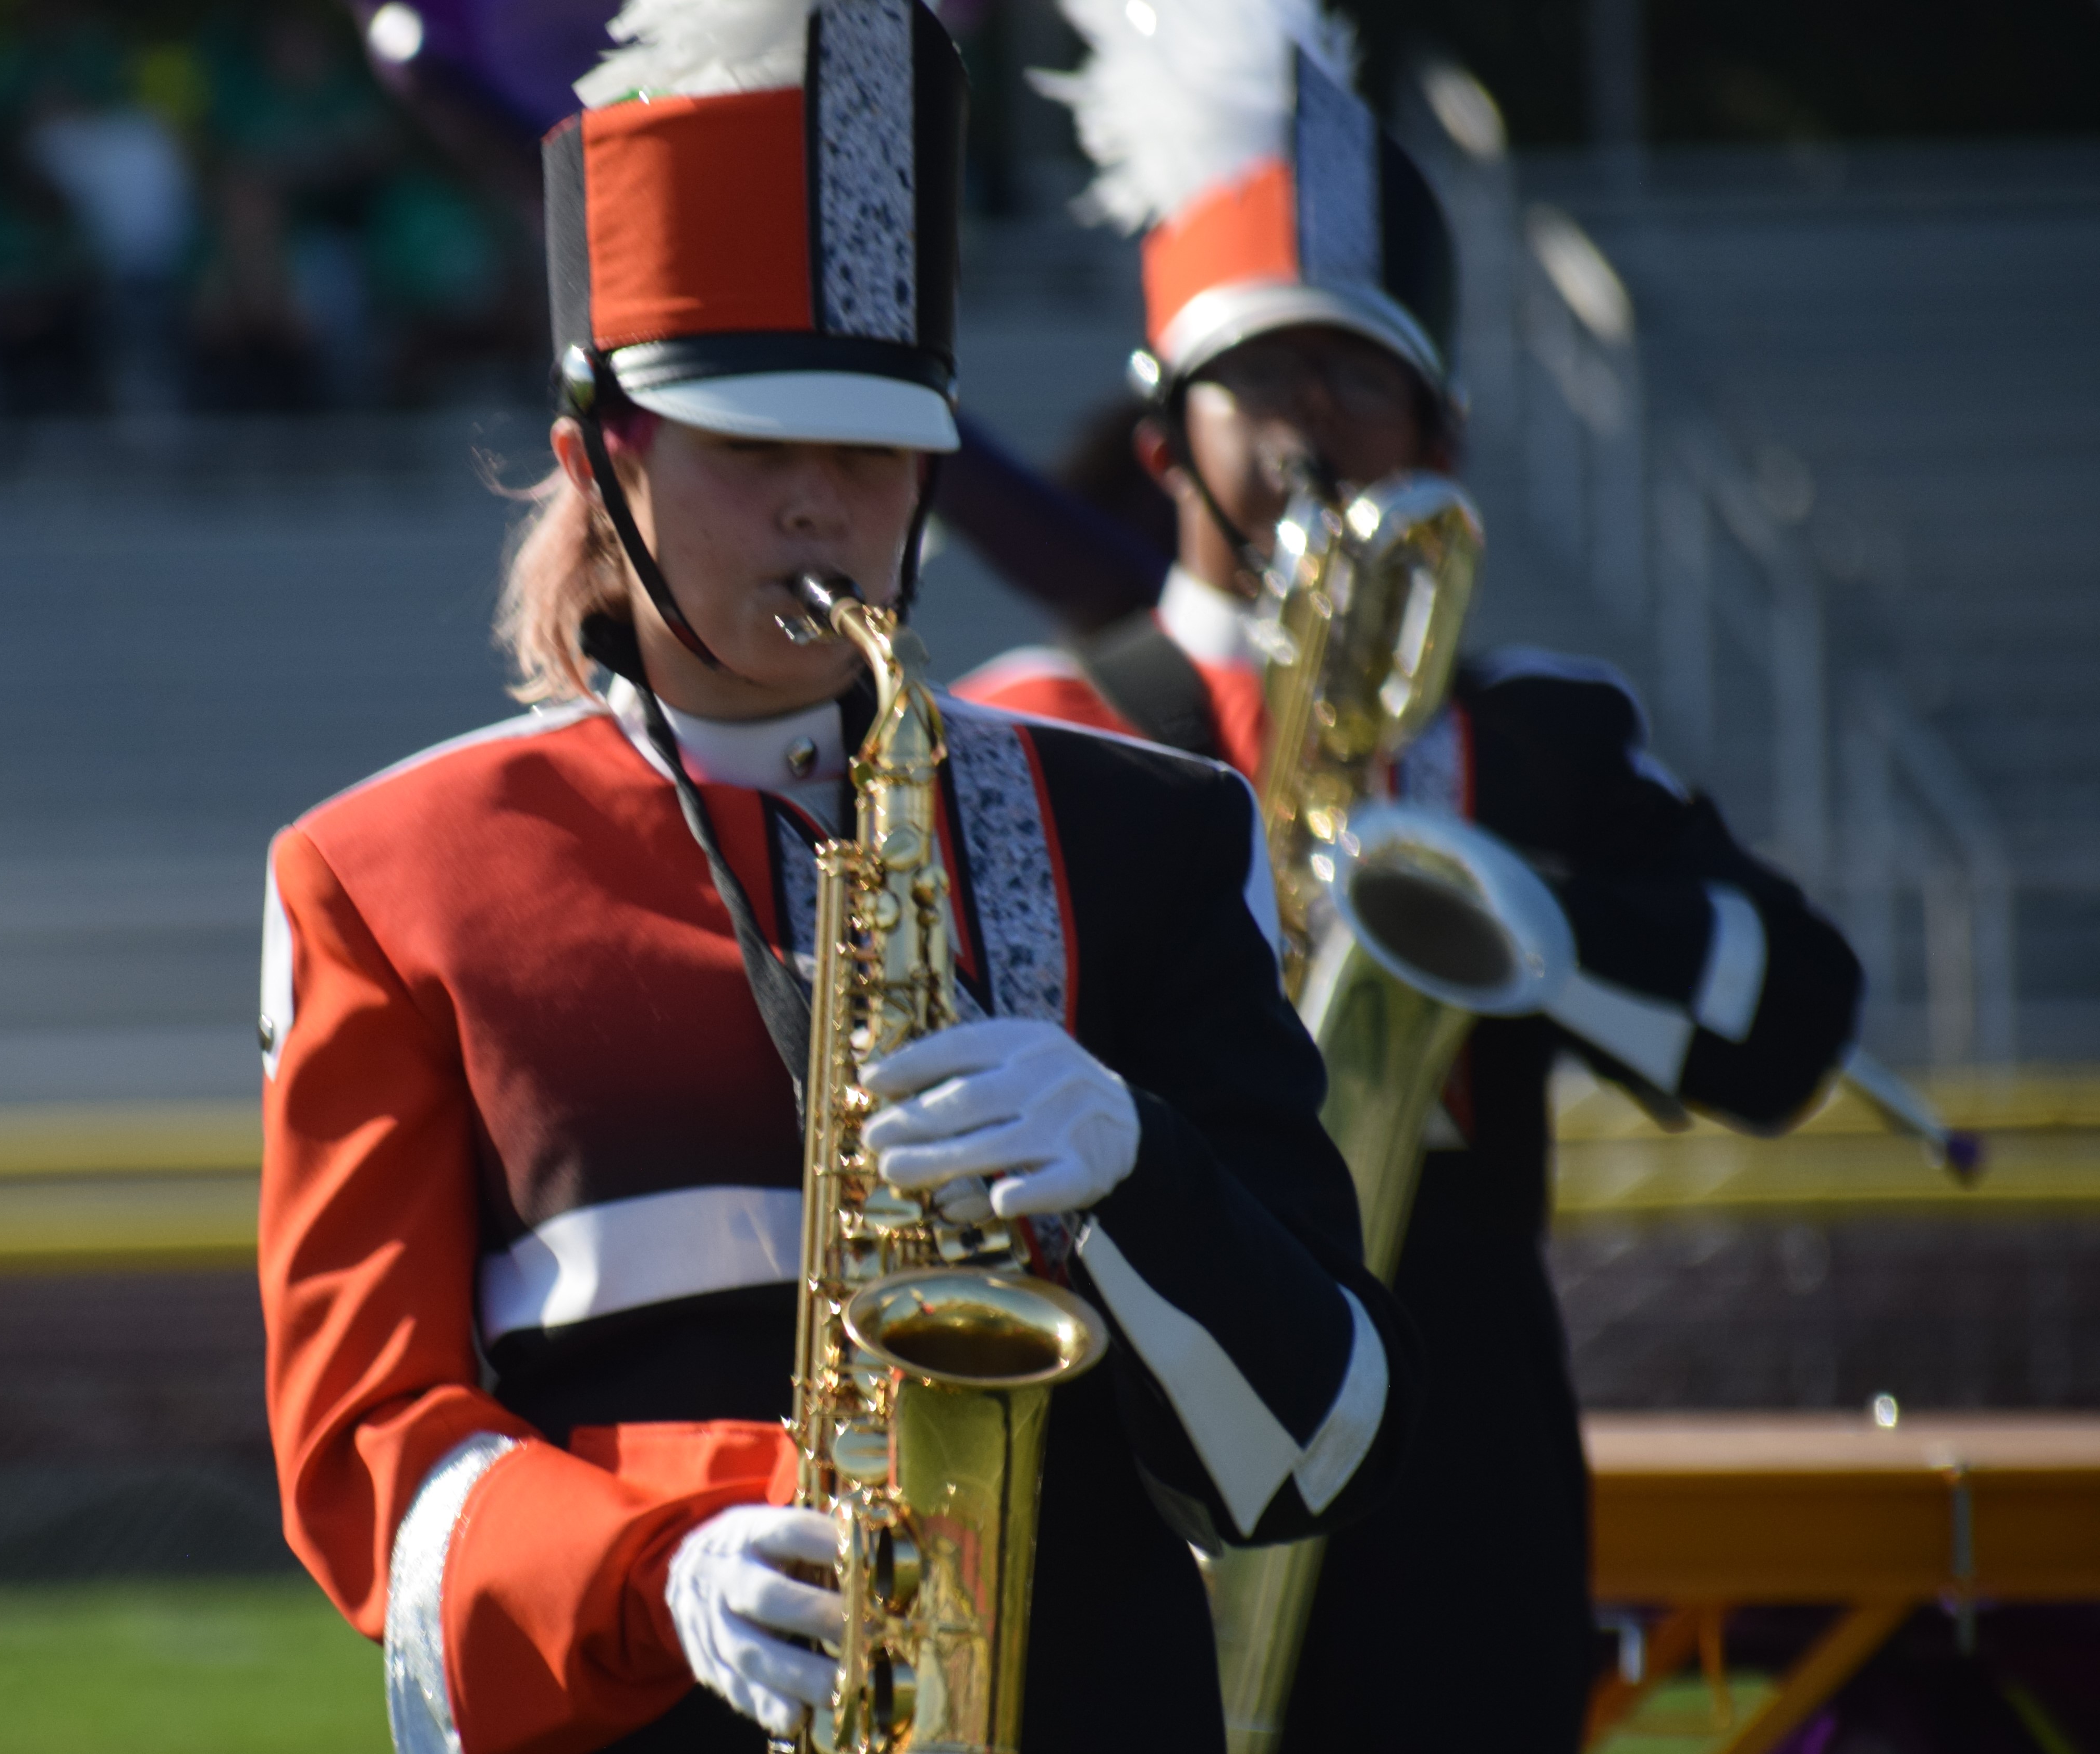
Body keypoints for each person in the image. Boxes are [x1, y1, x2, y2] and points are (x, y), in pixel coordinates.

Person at [255, 2, 1422, 1749]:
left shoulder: (1153, 837)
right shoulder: (394, 874)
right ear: (604, 459)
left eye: (871, 452)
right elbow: (366, 1466)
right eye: (752, 449)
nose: (820, 507)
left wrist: (1137, 1170)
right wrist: (653, 1569)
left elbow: (1309, 1451)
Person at [948, 4, 1868, 1748]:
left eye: (1362, 374)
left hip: (1463, 1440)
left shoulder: (1534, 736)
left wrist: (1534, 931)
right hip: (1148, 1414)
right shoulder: (1041, 729)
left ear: (1436, 426)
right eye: (1267, 373)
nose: (1314, 421)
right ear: (1163, 437)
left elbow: (1792, 1012)